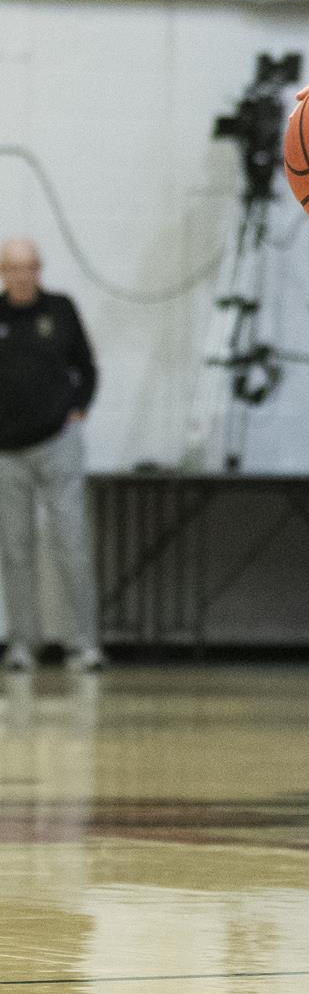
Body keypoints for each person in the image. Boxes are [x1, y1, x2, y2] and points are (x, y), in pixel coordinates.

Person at [0, 238, 102, 673]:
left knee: (71, 543)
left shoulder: (60, 309)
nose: (27, 275)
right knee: (16, 549)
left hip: (58, 443)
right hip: (7, 451)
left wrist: (77, 408)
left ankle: (84, 645)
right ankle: (24, 644)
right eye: (17, 268)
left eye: (34, 267)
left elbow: (87, 368)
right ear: (4, 272)